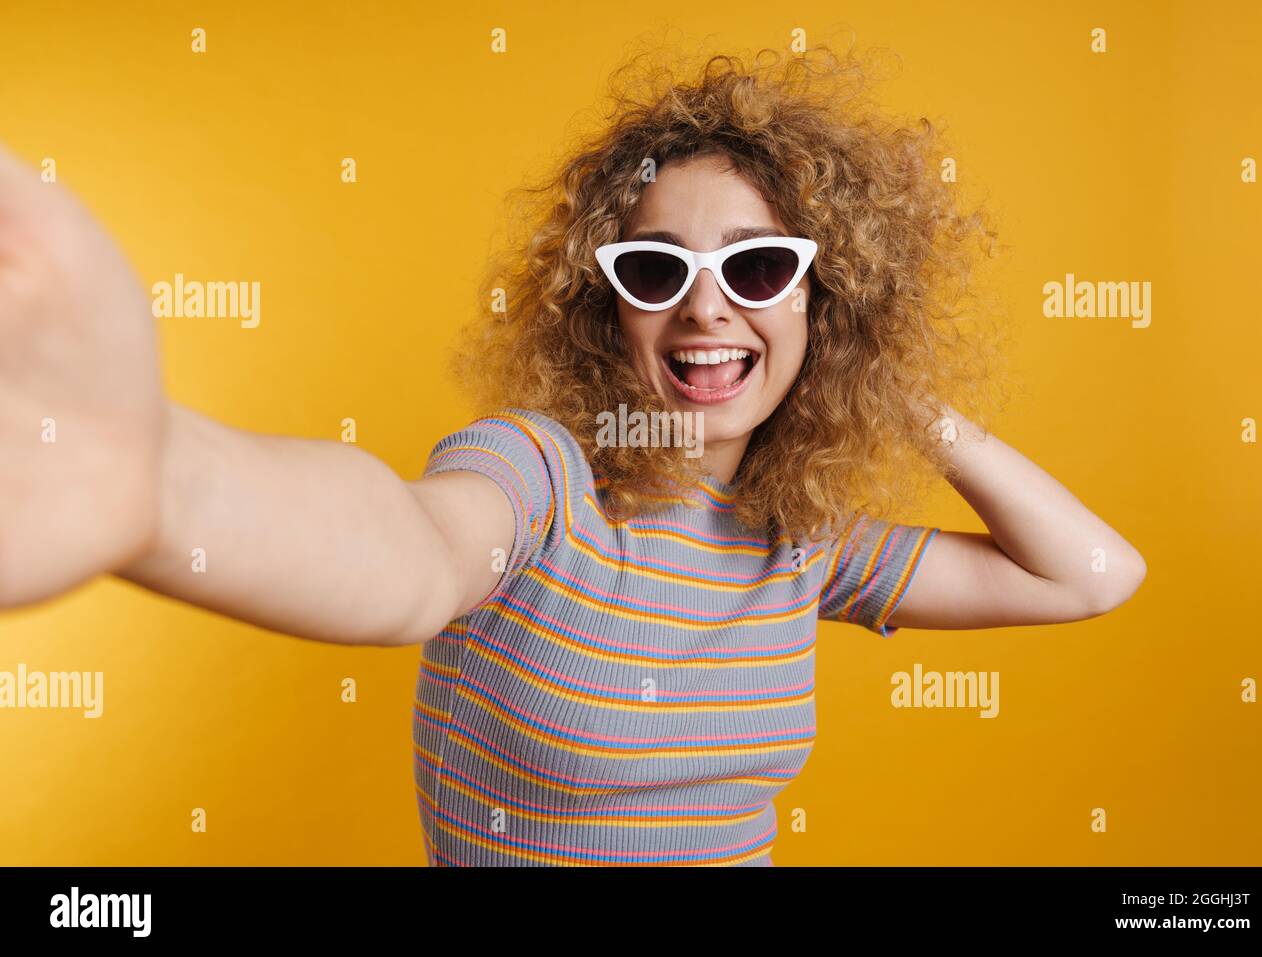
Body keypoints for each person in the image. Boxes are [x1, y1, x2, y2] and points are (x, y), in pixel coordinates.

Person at [0, 46, 1145, 866]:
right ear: (607, 314)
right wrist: (161, 481)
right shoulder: (539, 478)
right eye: (655, 272)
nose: (705, 309)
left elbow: (1089, 577)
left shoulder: (802, 540)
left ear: (823, 306)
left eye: (757, 271)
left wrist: (902, 400)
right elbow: (409, 557)